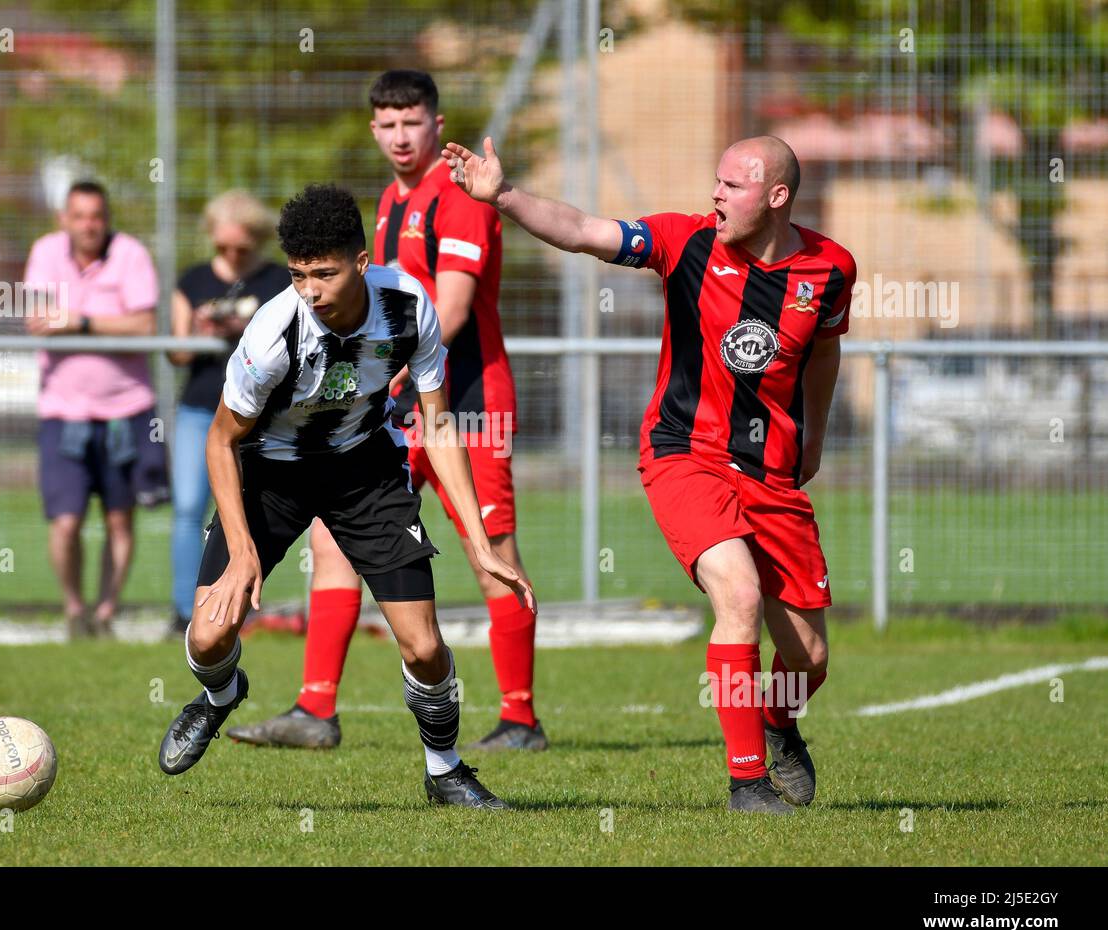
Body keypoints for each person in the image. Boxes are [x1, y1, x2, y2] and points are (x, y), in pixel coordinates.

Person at [441, 133, 856, 814]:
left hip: (772, 472)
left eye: (733, 185)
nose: (716, 194)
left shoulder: (831, 269)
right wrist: (504, 196)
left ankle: (776, 722)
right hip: (684, 454)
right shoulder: (683, 241)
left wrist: (815, 435)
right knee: (739, 596)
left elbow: (824, 355)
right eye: (716, 180)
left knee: (809, 658)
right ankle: (748, 784)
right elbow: (582, 230)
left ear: (778, 196)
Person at [156, 184, 535, 810]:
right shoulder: (271, 333)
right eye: (298, 275)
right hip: (270, 475)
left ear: (361, 263)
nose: (310, 290)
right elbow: (220, 441)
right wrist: (244, 552)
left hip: (364, 470)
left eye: (325, 274)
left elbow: (438, 425)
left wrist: (480, 542)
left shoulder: (409, 305)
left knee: (425, 646)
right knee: (206, 639)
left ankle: (445, 770)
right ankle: (221, 695)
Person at [229, 70, 543, 753]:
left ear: (436, 123)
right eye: (389, 124)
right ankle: (315, 709)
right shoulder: (390, 200)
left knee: (490, 550)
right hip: (394, 407)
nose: (401, 136)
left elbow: (449, 309)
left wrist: (382, 369)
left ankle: (520, 719)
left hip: (464, 403)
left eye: (413, 122)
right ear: (374, 129)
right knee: (332, 537)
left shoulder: (459, 196)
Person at [25, 180, 166, 640]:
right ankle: (74, 609)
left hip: (127, 410)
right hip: (62, 411)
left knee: (120, 519)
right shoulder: (45, 252)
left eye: (97, 216)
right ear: (64, 219)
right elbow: (40, 322)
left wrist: (79, 321)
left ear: (107, 219)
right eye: (79, 216)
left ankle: (105, 612)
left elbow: (144, 326)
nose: (89, 225)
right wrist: (108, 325)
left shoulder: (131, 254)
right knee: (65, 522)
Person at [166, 190, 289, 639]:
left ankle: (239, 604)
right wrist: (202, 331)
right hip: (201, 408)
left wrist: (248, 328)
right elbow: (177, 353)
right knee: (187, 508)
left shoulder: (278, 281)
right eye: (223, 246)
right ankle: (186, 611)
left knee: (249, 509)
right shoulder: (193, 280)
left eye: (242, 247)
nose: (232, 256)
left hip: (260, 415)